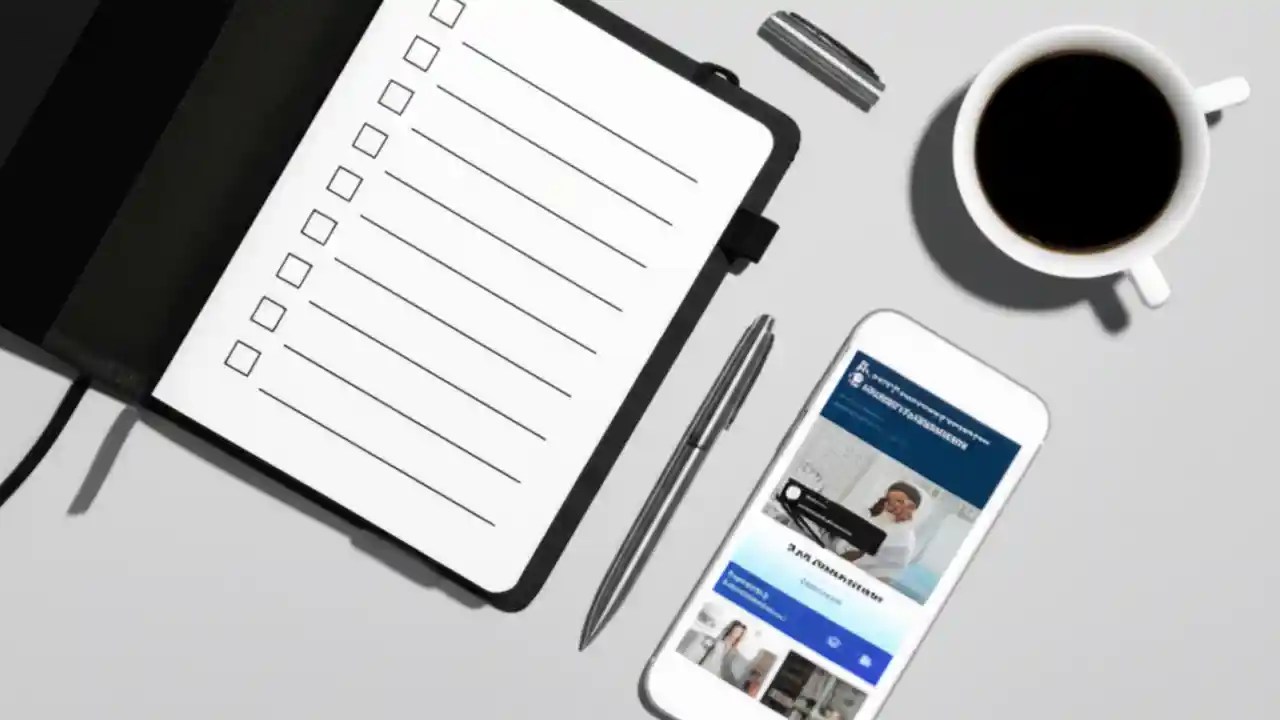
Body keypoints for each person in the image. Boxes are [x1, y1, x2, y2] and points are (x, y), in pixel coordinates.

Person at [840, 481, 922, 583]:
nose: (894, 505)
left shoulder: (905, 539)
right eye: (891, 500)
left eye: (900, 501)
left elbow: (886, 575)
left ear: (911, 507)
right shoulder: (874, 517)